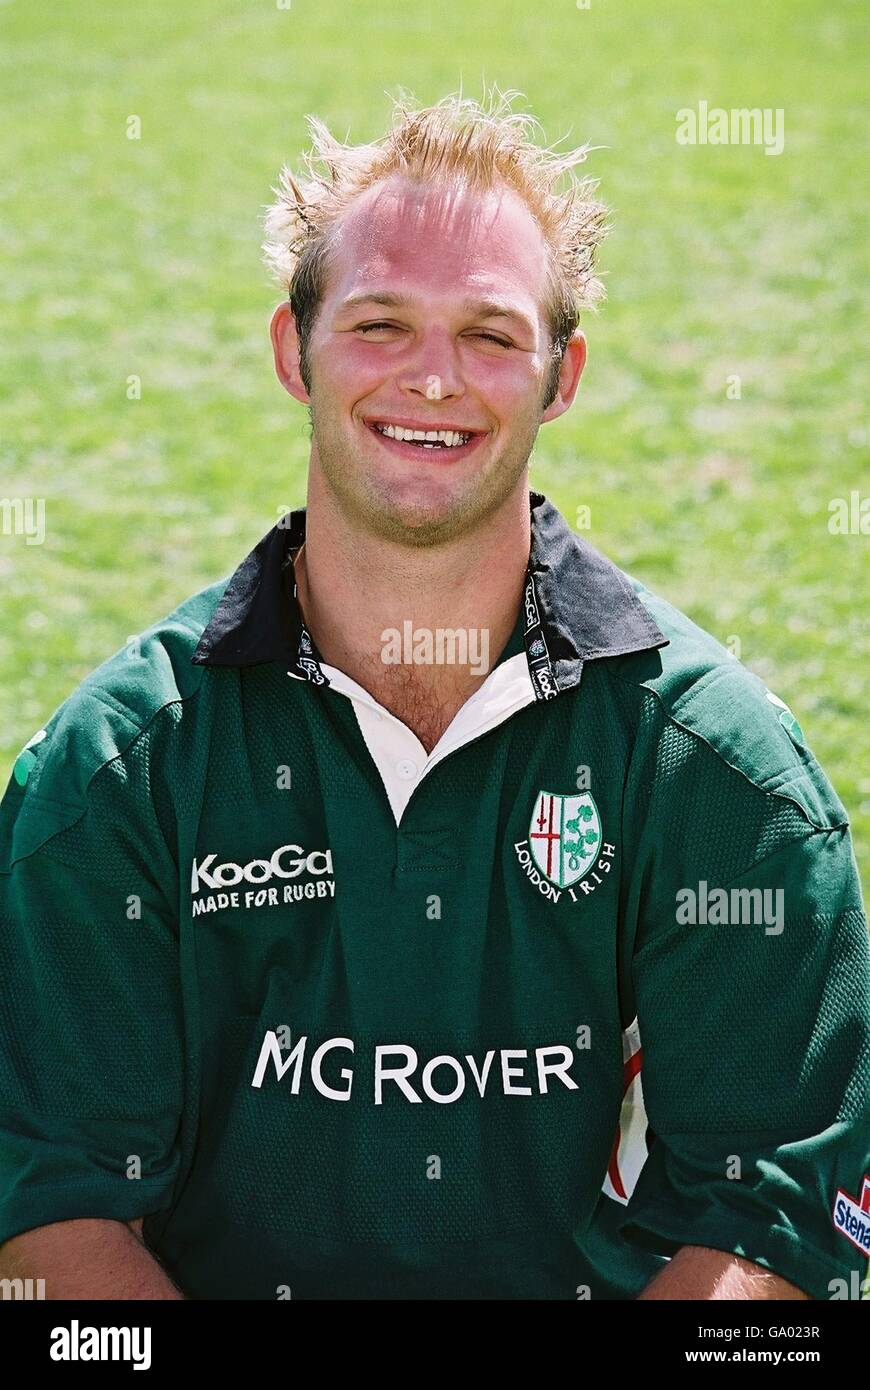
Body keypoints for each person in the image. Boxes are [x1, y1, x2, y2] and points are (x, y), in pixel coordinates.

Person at [0, 92, 867, 1301]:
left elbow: (773, 1234)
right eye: (380, 322)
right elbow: (51, 1211)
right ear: (291, 351)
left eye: (491, 336)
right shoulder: (119, 770)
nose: (433, 378)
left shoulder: (723, 775)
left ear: (560, 378)